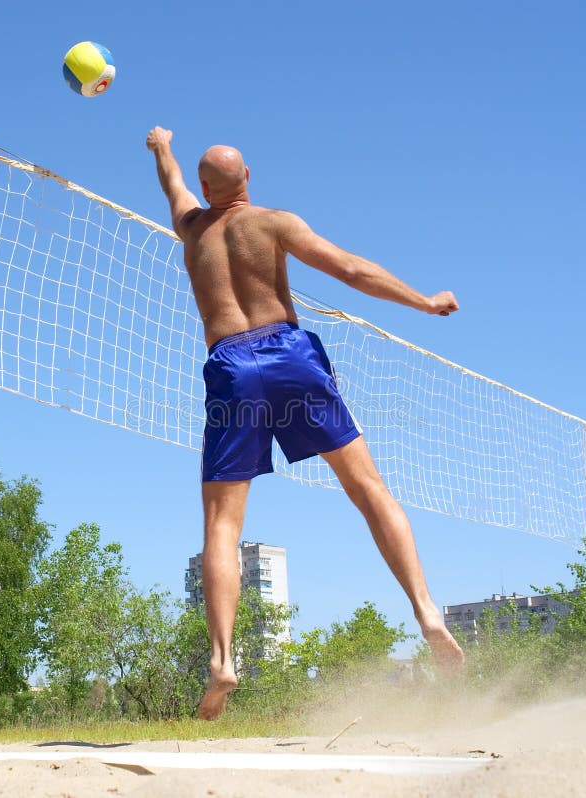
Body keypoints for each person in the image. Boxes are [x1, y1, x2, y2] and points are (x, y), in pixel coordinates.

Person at [146, 127, 464, 721]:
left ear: (209, 187)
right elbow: (348, 269)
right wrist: (423, 301)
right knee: (368, 489)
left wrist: (161, 147)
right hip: (291, 357)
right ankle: (425, 610)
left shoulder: (191, 229)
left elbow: (173, 187)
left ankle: (221, 659)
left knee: (221, 523)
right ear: (249, 179)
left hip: (232, 366)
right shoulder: (274, 222)